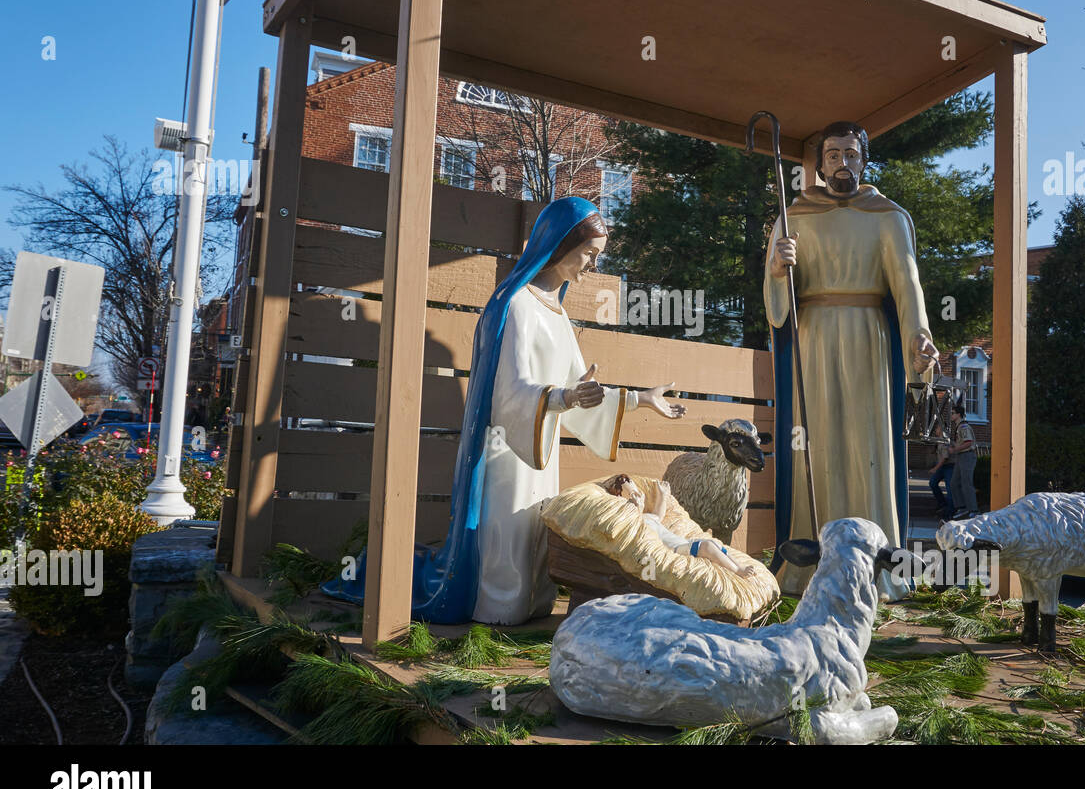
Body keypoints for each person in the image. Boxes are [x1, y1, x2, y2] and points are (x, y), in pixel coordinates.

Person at [322, 198, 686, 624]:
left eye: (597, 257)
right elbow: (509, 391)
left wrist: (640, 398)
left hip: (538, 447)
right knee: (507, 566)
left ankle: (526, 602)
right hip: (508, 450)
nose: (591, 266)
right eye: (588, 253)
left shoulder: (558, 312)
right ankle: (477, 601)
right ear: (561, 243)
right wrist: (562, 398)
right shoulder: (516, 305)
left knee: (535, 550)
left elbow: (580, 387)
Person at [765, 121, 939, 598]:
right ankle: (809, 561)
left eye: (851, 153)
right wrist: (779, 268)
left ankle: (877, 564)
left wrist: (919, 340)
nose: (843, 162)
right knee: (813, 442)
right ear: (820, 164)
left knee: (869, 443)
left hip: (868, 338)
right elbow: (777, 299)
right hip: (814, 337)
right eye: (833, 154)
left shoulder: (887, 216)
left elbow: (907, 287)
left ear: (864, 159)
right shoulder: (793, 215)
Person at [604, 474, 755, 578]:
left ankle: (738, 566)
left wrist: (662, 495)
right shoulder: (635, 521)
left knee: (712, 543)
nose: (638, 497)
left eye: (637, 494)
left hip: (682, 542)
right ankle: (738, 570)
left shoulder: (647, 517)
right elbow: (631, 525)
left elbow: (659, 515)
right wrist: (634, 506)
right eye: (632, 496)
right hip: (674, 549)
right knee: (707, 547)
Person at [948, 405, 978, 519]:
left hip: (967, 456)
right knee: (954, 483)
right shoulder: (959, 427)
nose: (951, 415)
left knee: (967, 483)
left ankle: (973, 509)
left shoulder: (964, 427)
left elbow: (968, 442)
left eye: (953, 413)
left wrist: (954, 449)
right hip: (961, 457)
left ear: (958, 414)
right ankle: (962, 507)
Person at [928, 440, 955, 520]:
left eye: (937, 428)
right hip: (942, 466)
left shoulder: (944, 440)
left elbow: (945, 457)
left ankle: (950, 512)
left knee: (949, 489)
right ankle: (942, 504)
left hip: (949, 466)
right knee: (933, 483)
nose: (936, 430)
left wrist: (935, 468)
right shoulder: (937, 440)